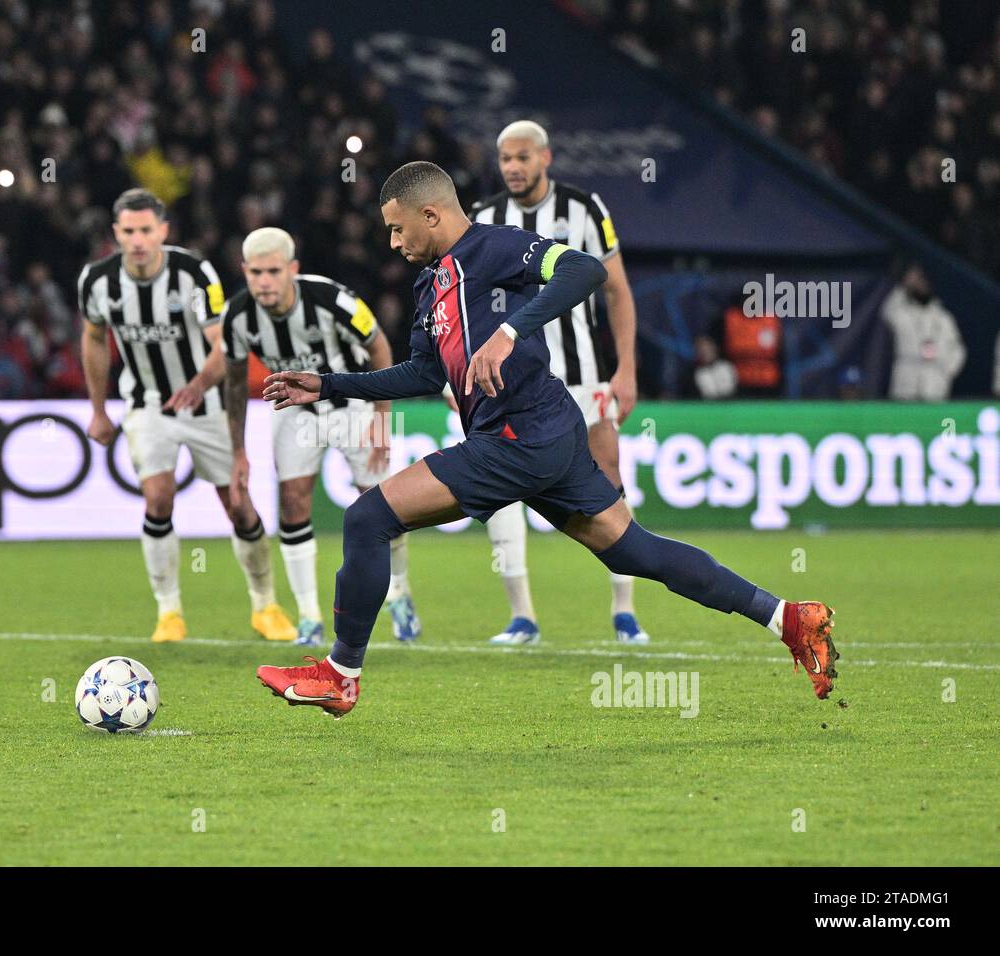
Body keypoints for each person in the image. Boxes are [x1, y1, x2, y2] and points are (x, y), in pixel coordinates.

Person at [255, 162, 839, 717]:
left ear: (430, 215)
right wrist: (329, 383)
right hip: (541, 435)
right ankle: (788, 618)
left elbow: (586, 269)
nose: (392, 242)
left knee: (366, 519)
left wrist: (509, 331)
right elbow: (425, 373)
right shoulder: (430, 285)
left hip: (520, 435)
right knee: (634, 550)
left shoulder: (494, 247)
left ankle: (340, 674)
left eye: (396, 228)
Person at [79, 189, 296, 644]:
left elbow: (223, 343)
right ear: (116, 233)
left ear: (162, 230)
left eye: (145, 230)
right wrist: (98, 410)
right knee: (158, 498)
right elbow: (94, 339)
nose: (137, 240)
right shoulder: (98, 281)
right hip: (147, 404)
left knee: (238, 505)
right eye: (128, 232)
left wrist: (198, 384)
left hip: (207, 404)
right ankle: (169, 612)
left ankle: (265, 605)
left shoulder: (193, 273)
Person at [471, 120, 647, 646]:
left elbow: (617, 291)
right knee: (500, 486)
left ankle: (624, 609)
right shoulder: (482, 220)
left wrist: (627, 367)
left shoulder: (586, 210)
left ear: (545, 158)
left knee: (608, 476)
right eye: (505, 159)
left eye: (522, 157)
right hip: (509, 382)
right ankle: (522, 616)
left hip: (585, 373)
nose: (512, 168)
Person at [222, 227, 420, 647]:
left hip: (353, 402)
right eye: (255, 272)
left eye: (273, 271)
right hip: (294, 411)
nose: (264, 281)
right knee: (292, 502)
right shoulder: (237, 316)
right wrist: (238, 449)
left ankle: (400, 594)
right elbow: (235, 383)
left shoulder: (332, 298)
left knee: (384, 501)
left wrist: (381, 418)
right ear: (245, 271)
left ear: (292, 269)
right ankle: (309, 615)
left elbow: (379, 345)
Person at [883, 265, 966, 401]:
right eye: (918, 283)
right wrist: (905, 284)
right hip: (907, 379)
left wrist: (946, 372)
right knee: (904, 420)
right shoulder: (904, 313)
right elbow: (888, 311)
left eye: (924, 283)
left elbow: (958, 350)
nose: (922, 286)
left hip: (935, 380)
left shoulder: (943, 317)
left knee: (934, 419)